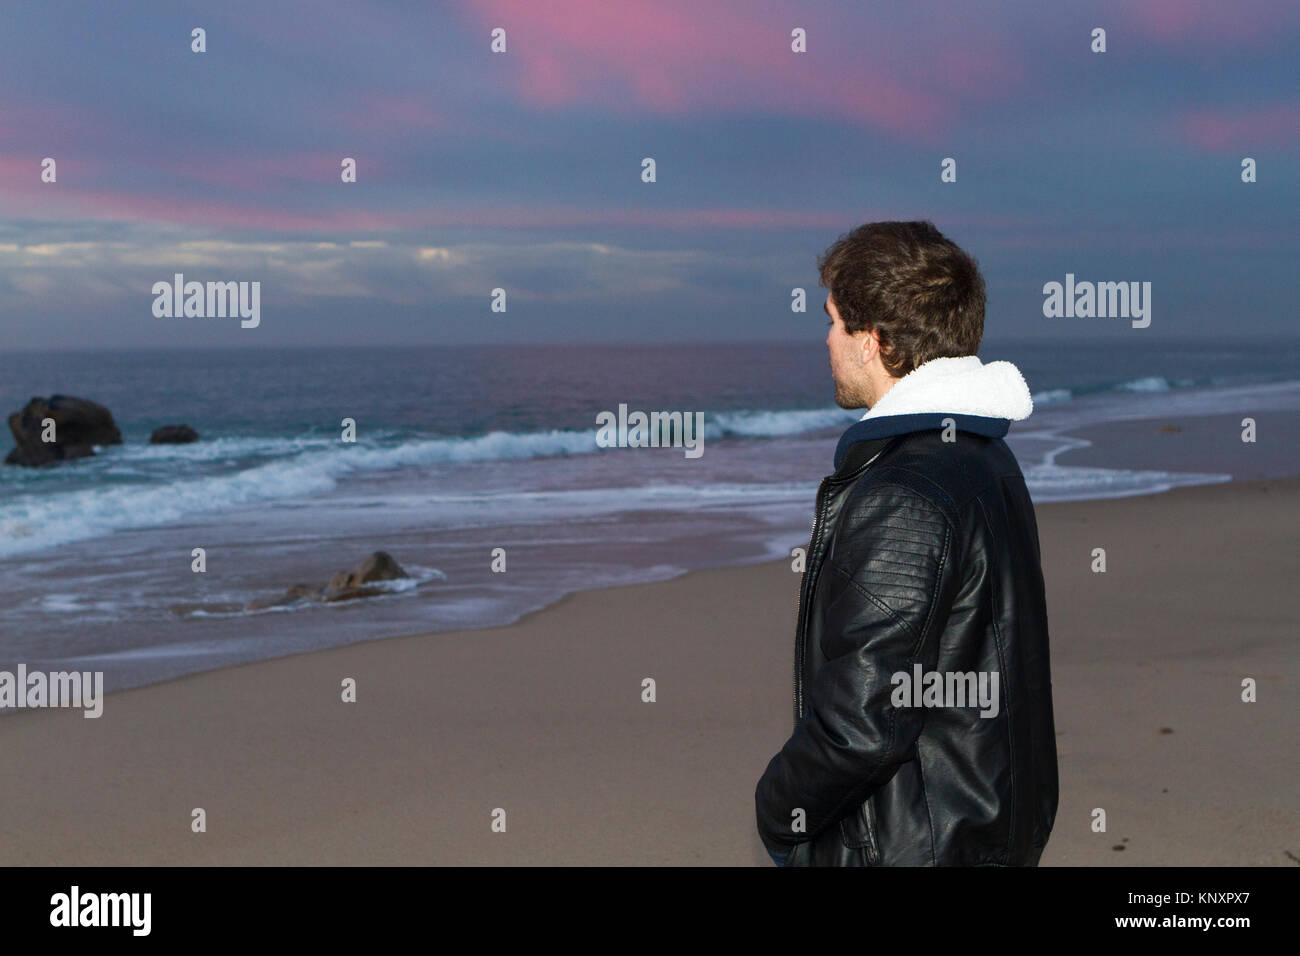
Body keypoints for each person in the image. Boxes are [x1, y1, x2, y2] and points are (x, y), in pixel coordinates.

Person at [755, 221, 1058, 866]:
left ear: (874, 341)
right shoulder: (985, 457)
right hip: (981, 829)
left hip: (910, 848)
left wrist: (779, 812)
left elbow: (863, 722)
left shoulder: (904, 492)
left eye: (835, 322)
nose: (827, 340)